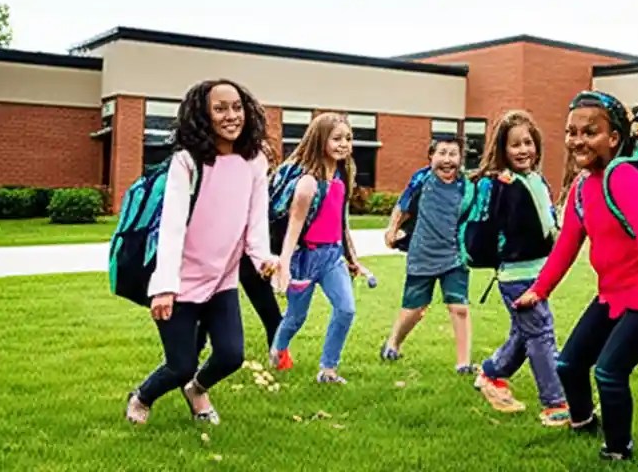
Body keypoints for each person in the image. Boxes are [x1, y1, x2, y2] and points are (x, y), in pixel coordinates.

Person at [515, 91, 638, 462]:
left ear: (614, 138)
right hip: (612, 294)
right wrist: (538, 291)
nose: (577, 141)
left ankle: (618, 450)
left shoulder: (624, 177)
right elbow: (566, 247)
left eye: (590, 132)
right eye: (572, 132)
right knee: (569, 364)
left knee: (609, 371)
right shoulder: (580, 189)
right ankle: (583, 424)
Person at [124, 79, 279, 426]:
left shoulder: (254, 161)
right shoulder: (187, 162)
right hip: (180, 281)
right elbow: (172, 226)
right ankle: (142, 396)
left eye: (237, 107)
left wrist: (265, 260)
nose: (231, 115)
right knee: (180, 364)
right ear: (203, 115)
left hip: (221, 279)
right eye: (220, 108)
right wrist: (164, 286)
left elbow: (255, 223)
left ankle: (197, 390)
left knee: (230, 355)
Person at [466, 110, 570, 426]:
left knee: (525, 333)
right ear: (502, 150)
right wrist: (501, 187)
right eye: (515, 145)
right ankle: (556, 402)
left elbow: (546, 224)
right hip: (516, 274)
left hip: (540, 270)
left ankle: (491, 372)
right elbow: (497, 228)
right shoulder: (501, 185)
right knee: (540, 334)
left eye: (528, 142)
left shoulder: (535, 180)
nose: (523, 150)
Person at [269, 112, 369, 385]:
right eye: (336, 138)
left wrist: (353, 259)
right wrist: (284, 266)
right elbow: (294, 228)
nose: (344, 144)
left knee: (346, 309)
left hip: (332, 257)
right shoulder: (307, 183)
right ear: (319, 140)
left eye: (348, 138)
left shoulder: (343, 174)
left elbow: (342, 222)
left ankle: (328, 370)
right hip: (304, 258)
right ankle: (277, 349)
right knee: (296, 317)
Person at [380, 137, 474, 374]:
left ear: (460, 159)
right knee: (415, 308)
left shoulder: (467, 185)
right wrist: (392, 229)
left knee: (459, 307)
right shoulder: (422, 179)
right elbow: (402, 205)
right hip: (422, 253)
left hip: (455, 254)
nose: (447, 159)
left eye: (453, 154)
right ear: (431, 157)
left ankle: (463, 363)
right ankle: (393, 343)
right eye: (442, 153)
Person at [195, 142, 283, 358]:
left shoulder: (270, 189)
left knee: (269, 311)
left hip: (251, 257)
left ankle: (280, 357)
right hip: (232, 256)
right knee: (207, 312)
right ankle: (188, 358)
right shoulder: (231, 185)